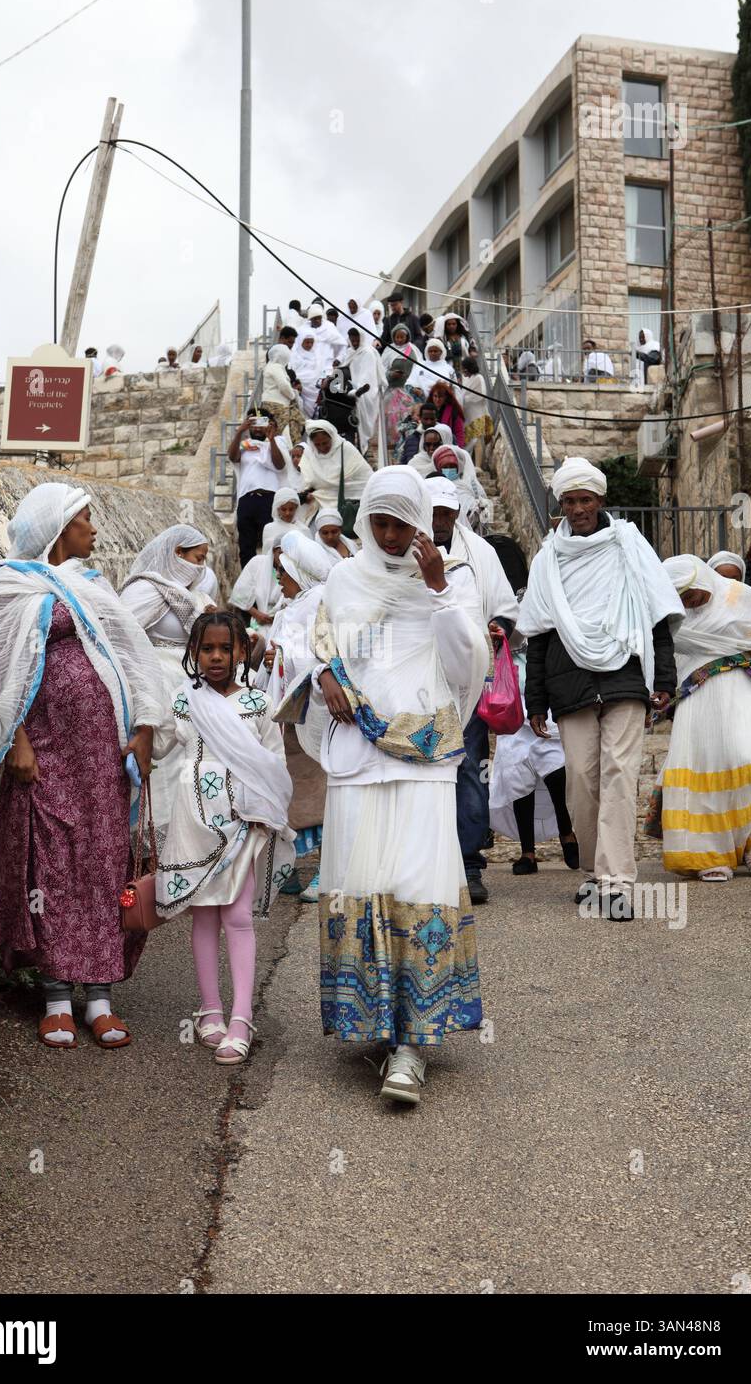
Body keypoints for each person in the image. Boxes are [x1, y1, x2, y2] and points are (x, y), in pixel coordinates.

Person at [296, 466, 489, 1105]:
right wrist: (323, 675)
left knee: (418, 882)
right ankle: (378, 1023)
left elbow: (467, 665)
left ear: (418, 524)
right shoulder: (343, 581)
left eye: (400, 523)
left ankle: (414, 1042)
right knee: (362, 880)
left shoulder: (448, 582)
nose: (388, 533)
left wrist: (438, 592)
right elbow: (313, 642)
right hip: (357, 756)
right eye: (379, 521)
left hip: (423, 757)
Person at [0, 484, 165, 1049]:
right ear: (58, 529)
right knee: (49, 862)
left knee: (103, 860)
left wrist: (145, 727)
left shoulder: (93, 584)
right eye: (85, 519)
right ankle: (57, 998)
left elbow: (133, 658)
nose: (95, 529)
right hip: (47, 750)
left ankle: (100, 998)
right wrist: (19, 740)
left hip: (101, 754)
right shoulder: (10, 586)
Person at [517, 456, 682, 920]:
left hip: (625, 678)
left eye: (585, 499)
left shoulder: (629, 544)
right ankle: (595, 869)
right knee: (582, 782)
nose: (577, 508)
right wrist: (536, 700)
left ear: (600, 499)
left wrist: (664, 679)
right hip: (568, 684)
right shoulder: (548, 559)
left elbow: (656, 615)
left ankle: (616, 883)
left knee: (619, 776)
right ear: (561, 505)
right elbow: (539, 633)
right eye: (569, 500)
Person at [153, 610, 294, 1065]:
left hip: (242, 822)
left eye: (225, 649)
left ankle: (241, 1018)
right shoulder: (183, 701)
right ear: (194, 653)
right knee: (204, 917)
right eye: (207, 649)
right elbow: (158, 745)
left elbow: (275, 765)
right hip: (193, 823)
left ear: (240, 652)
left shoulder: (257, 704)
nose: (216, 657)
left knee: (237, 915)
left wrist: (264, 812)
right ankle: (209, 1009)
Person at [429, 476, 519, 903]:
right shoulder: (399, 549)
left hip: (465, 684)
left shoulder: (480, 554)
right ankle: (425, 864)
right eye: (433, 514)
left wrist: (499, 628)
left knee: (468, 770)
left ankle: (469, 864)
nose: (439, 522)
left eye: (446, 514)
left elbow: (506, 610)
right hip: (418, 684)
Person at [655, 556, 751, 881]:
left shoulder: (737, 594)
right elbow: (668, 653)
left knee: (744, 755)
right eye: (681, 596)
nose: (689, 600)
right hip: (697, 695)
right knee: (701, 764)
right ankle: (706, 853)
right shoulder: (672, 618)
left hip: (741, 687)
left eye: (690, 592)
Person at [119, 525, 218, 847]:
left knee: (186, 773)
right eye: (196, 558)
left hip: (192, 693)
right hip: (156, 689)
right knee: (160, 775)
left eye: (204, 561)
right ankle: (152, 853)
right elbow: (121, 637)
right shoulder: (145, 590)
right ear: (177, 553)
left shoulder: (195, 596)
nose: (200, 567)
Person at [257, 530, 335, 901]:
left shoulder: (320, 601)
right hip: (291, 714)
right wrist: (272, 661)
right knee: (291, 791)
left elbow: (324, 654)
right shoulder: (293, 606)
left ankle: (328, 869)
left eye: (282, 572)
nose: (278, 580)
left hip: (316, 714)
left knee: (320, 794)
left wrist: (282, 660)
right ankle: (287, 868)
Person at [488, 636, 579, 875]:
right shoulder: (503, 613)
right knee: (518, 781)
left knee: (558, 773)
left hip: (546, 703)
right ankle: (527, 852)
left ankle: (567, 832)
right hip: (512, 706)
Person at [227, 410, 286, 566]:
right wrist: (240, 431)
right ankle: (248, 582)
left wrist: (271, 439)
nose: (258, 428)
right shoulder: (244, 445)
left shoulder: (278, 442)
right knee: (246, 545)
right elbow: (232, 457)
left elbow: (280, 465)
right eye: (254, 424)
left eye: (261, 423)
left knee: (272, 542)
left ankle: (273, 579)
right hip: (247, 498)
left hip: (269, 498)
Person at [297, 418, 372, 515]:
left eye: (325, 443)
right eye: (317, 444)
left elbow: (366, 479)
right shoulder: (309, 454)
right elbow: (304, 484)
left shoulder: (345, 449)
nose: (322, 448)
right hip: (318, 509)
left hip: (347, 510)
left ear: (332, 437)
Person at [411, 442, 487, 529]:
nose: (449, 469)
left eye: (452, 466)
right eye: (445, 467)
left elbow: (487, 509)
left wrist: (478, 511)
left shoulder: (470, 485)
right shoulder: (432, 486)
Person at [341, 327, 386, 455]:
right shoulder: (350, 352)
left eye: (356, 338)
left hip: (366, 391)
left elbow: (368, 376)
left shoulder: (368, 352)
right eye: (352, 338)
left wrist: (357, 390)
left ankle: (364, 451)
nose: (354, 341)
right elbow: (344, 369)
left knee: (363, 425)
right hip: (350, 392)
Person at [229, 543, 284, 629]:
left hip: (282, 624)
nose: (282, 557)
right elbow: (239, 595)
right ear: (273, 551)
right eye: (280, 552)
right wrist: (257, 614)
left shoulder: (291, 570)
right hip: (260, 623)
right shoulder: (257, 563)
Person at [382, 356, 426, 464]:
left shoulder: (409, 391)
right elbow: (381, 375)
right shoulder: (389, 352)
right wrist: (390, 375)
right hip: (389, 394)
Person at [262, 343, 304, 442]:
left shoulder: (271, 366)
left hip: (273, 405)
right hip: (277, 406)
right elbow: (283, 385)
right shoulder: (276, 367)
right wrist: (293, 396)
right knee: (284, 433)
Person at [261, 486, 313, 553]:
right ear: (277, 509)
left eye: (291, 509)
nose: (287, 513)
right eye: (283, 509)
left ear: (296, 508)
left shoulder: (304, 530)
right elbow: (266, 555)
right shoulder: (269, 528)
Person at [290, 331, 330, 416]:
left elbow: (323, 370)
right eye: (307, 342)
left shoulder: (317, 355)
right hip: (301, 385)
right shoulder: (295, 355)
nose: (309, 345)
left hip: (315, 387)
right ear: (301, 341)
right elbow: (293, 370)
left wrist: (323, 379)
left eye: (311, 342)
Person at [460, 357, 488, 457]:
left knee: (477, 440)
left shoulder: (478, 378)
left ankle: (478, 466)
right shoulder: (468, 380)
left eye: (463, 368)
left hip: (477, 414)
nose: (462, 371)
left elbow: (481, 394)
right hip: (468, 415)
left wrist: (465, 399)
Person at [428, 380, 465, 447]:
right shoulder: (427, 410)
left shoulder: (454, 412)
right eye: (435, 396)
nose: (437, 399)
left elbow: (459, 433)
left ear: (446, 397)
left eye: (440, 397)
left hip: (449, 446)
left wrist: (458, 450)